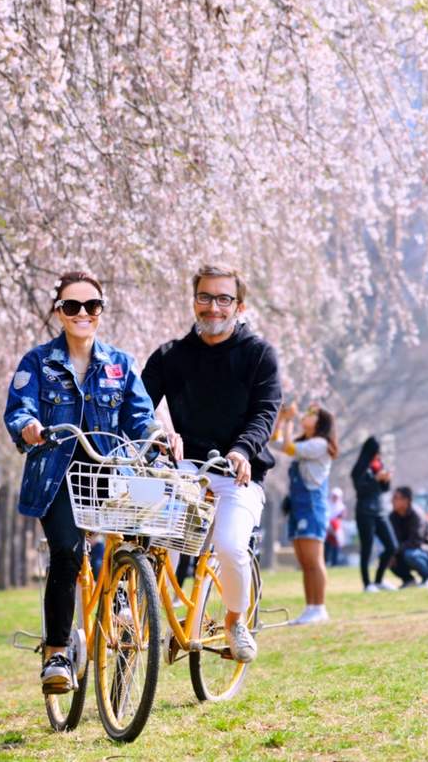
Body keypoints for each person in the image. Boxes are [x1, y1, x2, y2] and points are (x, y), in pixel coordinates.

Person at [4, 270, 177, 693]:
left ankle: (123, 610)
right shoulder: (38, 362)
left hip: (110, 472)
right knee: (67, 552)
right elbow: (19, 409)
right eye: (72, 306)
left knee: (137, 540)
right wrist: (29, 427)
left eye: (92, 305)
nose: (82, 313)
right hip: (57, 478)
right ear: (58, 312)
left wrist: (156, 436)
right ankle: (57, 654)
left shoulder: (120, 364)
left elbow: (140, 416)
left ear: (101, 311)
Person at [142, 265, 282, 661]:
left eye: (224, 299)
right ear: (194, 301)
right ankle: (144, 610)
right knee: (156, 533)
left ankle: (235, 621)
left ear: (239, 306)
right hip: (186, 469)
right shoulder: (170, 356)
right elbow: (137, 406)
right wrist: (156, 433)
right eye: (205, 297)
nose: (213, 307)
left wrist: (242, 450)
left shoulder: (258, 355)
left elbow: (266, 412)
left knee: (231, 545)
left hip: (239, 472)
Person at [275, 402, 338, 625]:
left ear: (321, 422)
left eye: (312, 414)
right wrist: (282, 419)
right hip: (298, 506)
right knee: (304, 561)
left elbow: (289, 448)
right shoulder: (306, 442)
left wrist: (289, 420)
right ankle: (310, 608)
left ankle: (319, 607)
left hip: (312, 507)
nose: (306, 415)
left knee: (313, 560)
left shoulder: (320, 444)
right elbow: (275, 441)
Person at [350, 436, 398, 592]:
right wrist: (376, 479)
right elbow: (360, 489)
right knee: (367, 548)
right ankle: (367, 584)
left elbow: (384, 489)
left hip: (380, 511)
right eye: (376, 452)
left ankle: (378, 580)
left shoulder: (378, 465)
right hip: (364, 512)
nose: (379, 455)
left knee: (392, 546)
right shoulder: (359, 468)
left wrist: (386, 479)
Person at [387, 487, 428, 587]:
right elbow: (394, 539)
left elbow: (415, 541)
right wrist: (392, 554)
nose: (392, 501)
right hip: (406, 550)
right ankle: (409, 580)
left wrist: (396, 550)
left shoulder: (417, 515)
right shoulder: (393, 517)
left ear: (406, 500)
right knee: (386, 557)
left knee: (410, 554)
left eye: (396, 498)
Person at [325, 487, 346, 567]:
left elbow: (340, 518)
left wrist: (335, 528)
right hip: (327, 529)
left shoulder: (341, 507)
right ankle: (325, 562)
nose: (335, 498)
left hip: (336, 530)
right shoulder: (326, 504)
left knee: (336, 547)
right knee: (326, 547)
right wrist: (329, 527)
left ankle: (335, 563)